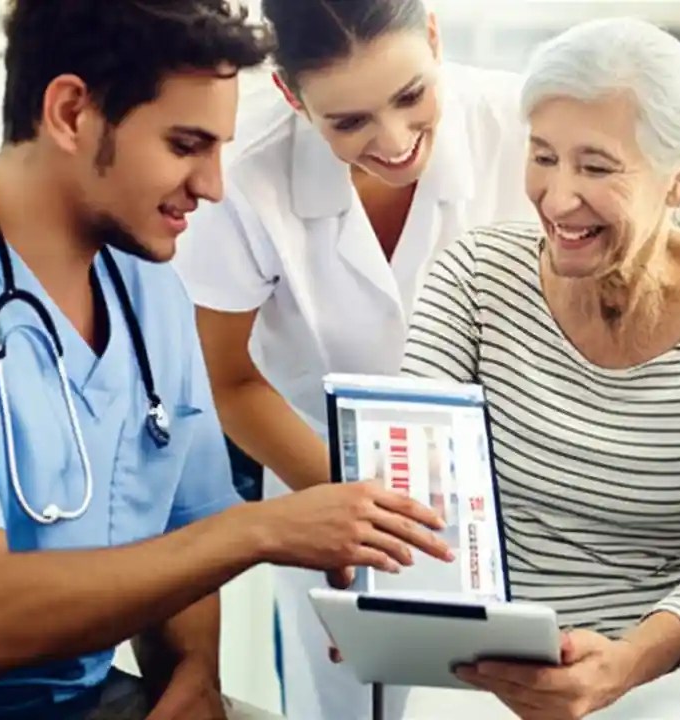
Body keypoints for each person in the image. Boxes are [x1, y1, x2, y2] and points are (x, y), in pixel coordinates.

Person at [0, 2, 453, 719]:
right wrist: (263, 529)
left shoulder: (151, 289)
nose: (214, 186)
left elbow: (184, 530)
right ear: (69, 113)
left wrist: (194, 675)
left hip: (98, 698)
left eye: (220, 149)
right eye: (187, 145)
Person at [395, 17, 680, 720]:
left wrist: (622, 666)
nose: (559, 198)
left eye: (595, 167)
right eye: (544, 156)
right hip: (508, 661)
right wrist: (386, 602)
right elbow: (411, 487)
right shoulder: (471, 275)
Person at [170, 1, 534, 717]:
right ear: (290, 96)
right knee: (346, 703)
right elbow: (228, 377)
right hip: (318, 476)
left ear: (433, 36)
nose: (395, 140)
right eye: (349, 122)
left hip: (510, 492)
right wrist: (354, 516)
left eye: (410, 96)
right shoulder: (244, 169)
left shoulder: (523, 126)